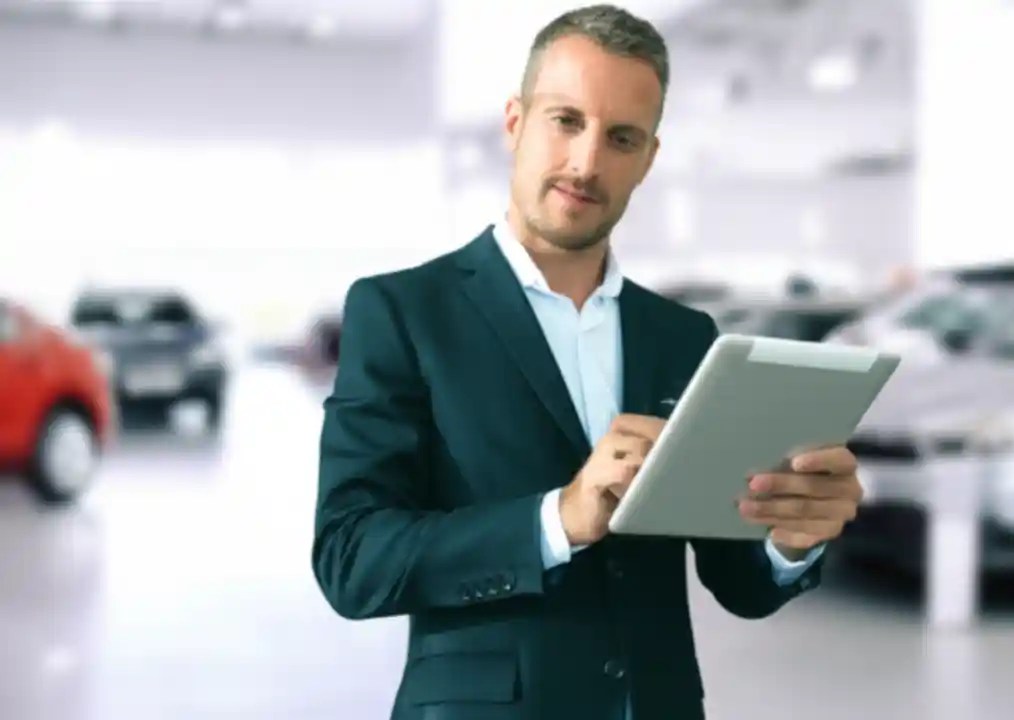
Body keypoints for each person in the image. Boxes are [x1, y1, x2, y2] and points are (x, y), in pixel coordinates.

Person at [312, 5, 863, 719]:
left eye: (621, 137)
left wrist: (792, 539)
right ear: (515, 123)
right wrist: (557, 519)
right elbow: (352, 559)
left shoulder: (683, 337)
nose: (587, 161)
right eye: (566, 121)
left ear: (648, 158)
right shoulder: (405, 313)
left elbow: (741, 582)